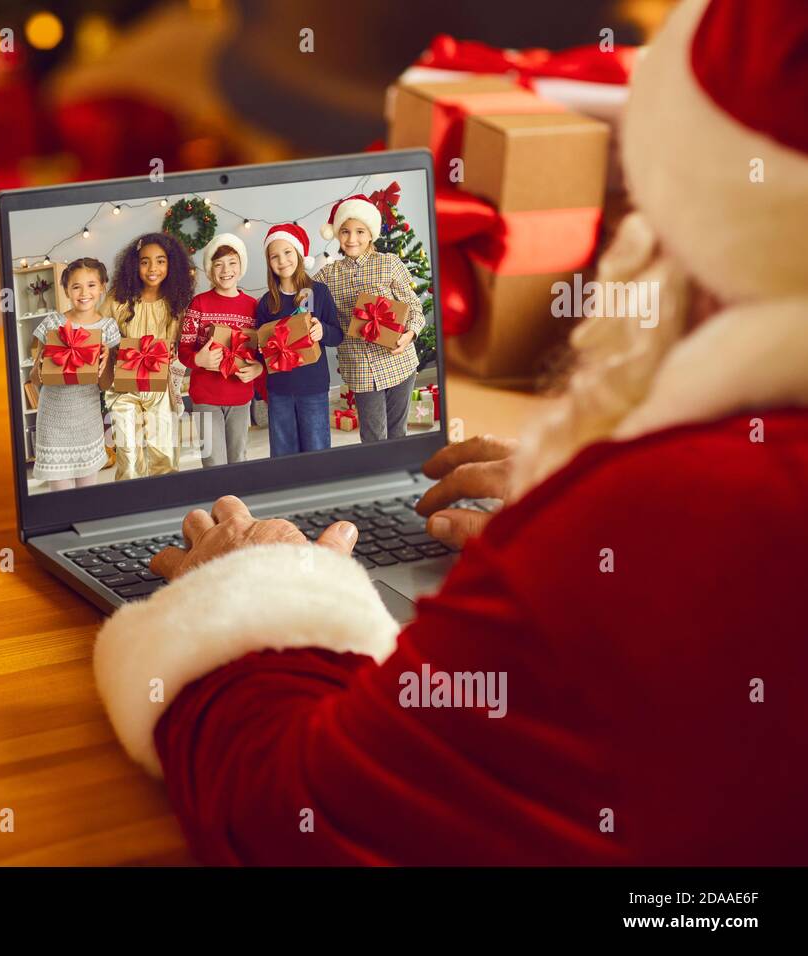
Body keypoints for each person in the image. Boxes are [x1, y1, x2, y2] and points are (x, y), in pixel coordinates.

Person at [91, 0, 808, 864]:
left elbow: (296, 819)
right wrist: (574, 511)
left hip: (330, 389)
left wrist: (245, 603)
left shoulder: (693, 515)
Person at [313, 191, 425, 442]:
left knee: (398, 433)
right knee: (373, 436)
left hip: (399, 361)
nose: (352, 238)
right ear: (337, 235)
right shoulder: (328, 275)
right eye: (345, 231)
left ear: (371, 233)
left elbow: (414, 307)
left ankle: (398, 475)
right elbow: (302, 296)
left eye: (360, 231)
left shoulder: (389, 263)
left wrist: (410, 334)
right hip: (361, 369)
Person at [103, 234, 193, 480]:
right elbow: (102, 336)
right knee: (128, 456)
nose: (153, 268)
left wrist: (175, 351)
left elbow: (185, 342)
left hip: (161, 387)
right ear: (135, 265)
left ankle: (165, 504)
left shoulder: (177, 302)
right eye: (145, 261)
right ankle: (131, 505)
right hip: (124, 386)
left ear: (171, 265)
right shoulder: (117, 299)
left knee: (163, 454)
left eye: (160, 261)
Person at [254, 223, 344, 455]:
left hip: (312, 387)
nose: (282, 261)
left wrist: (322, 331)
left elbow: (337, 335)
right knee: (283, 450)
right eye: (275, 256)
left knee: (317, 448)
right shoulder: (266, 303)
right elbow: (259, 349)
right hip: (279, 390)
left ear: (299, 255)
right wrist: (263, 349)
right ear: (269, 263)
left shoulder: (318, 292)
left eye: (287, 252)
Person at [28, 258, 119, 490]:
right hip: (53, 420)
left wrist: (106, 359)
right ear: (66, 290)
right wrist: (45, 357)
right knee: (60, 495)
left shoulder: (108, 328)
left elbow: (107, 384)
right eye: (76, 286)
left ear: (102, 287)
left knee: (86, 497)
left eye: (91, 285)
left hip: (87, 421)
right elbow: (35, 379)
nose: (84, 292)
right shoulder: (53, 323)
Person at [179, 234, 263, 469]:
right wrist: (198, 358)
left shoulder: (253, 307)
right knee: (213, 462)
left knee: (238, 459)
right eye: (219, 264)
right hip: (205, 398)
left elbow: (259, 352)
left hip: (240, 397)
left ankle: (236, 505)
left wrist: (258, 368)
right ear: (210, 270)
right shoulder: (199, 305)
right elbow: (183, 350)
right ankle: (217, 505)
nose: (226, 270)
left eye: (232, 262)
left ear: (241, 266)